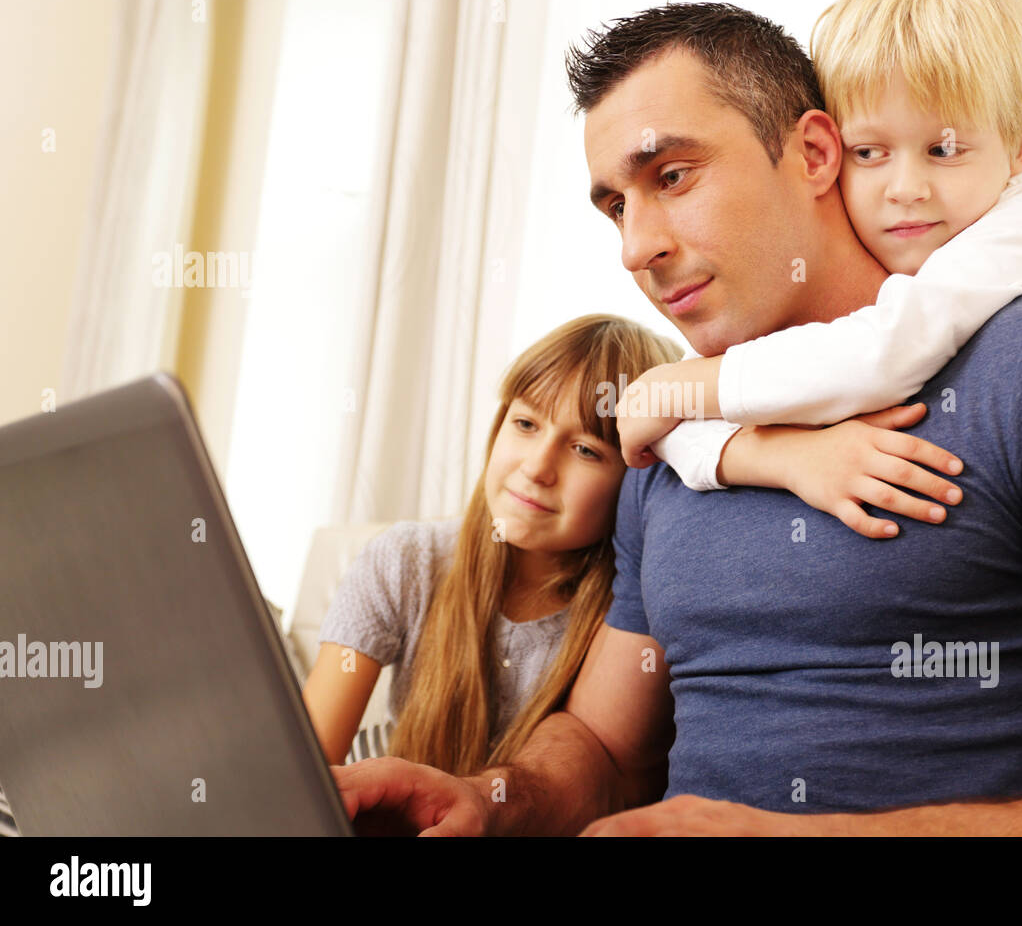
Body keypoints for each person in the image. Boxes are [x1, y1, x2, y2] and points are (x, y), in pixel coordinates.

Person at [332, 0, 1022, 836]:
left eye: (671, 176)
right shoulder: (671, 441)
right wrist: (493, 798)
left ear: (811, 150)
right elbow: (601, 744)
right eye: (613, 205)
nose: (636, 245)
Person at [302, 312, 955, 773]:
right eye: (525, 424)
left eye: (586, 448)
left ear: (637, 472)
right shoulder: (406, 563)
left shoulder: (638, 614)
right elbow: (306, 765)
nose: (537, 465)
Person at [615, 0, 1022, 539]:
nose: (905, 188)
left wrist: (679, 389)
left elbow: (885, 353)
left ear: (1018, 148)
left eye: (943, 149)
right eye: (869, 152)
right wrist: (776, 457)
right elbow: (664, 425)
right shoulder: (820, 316)